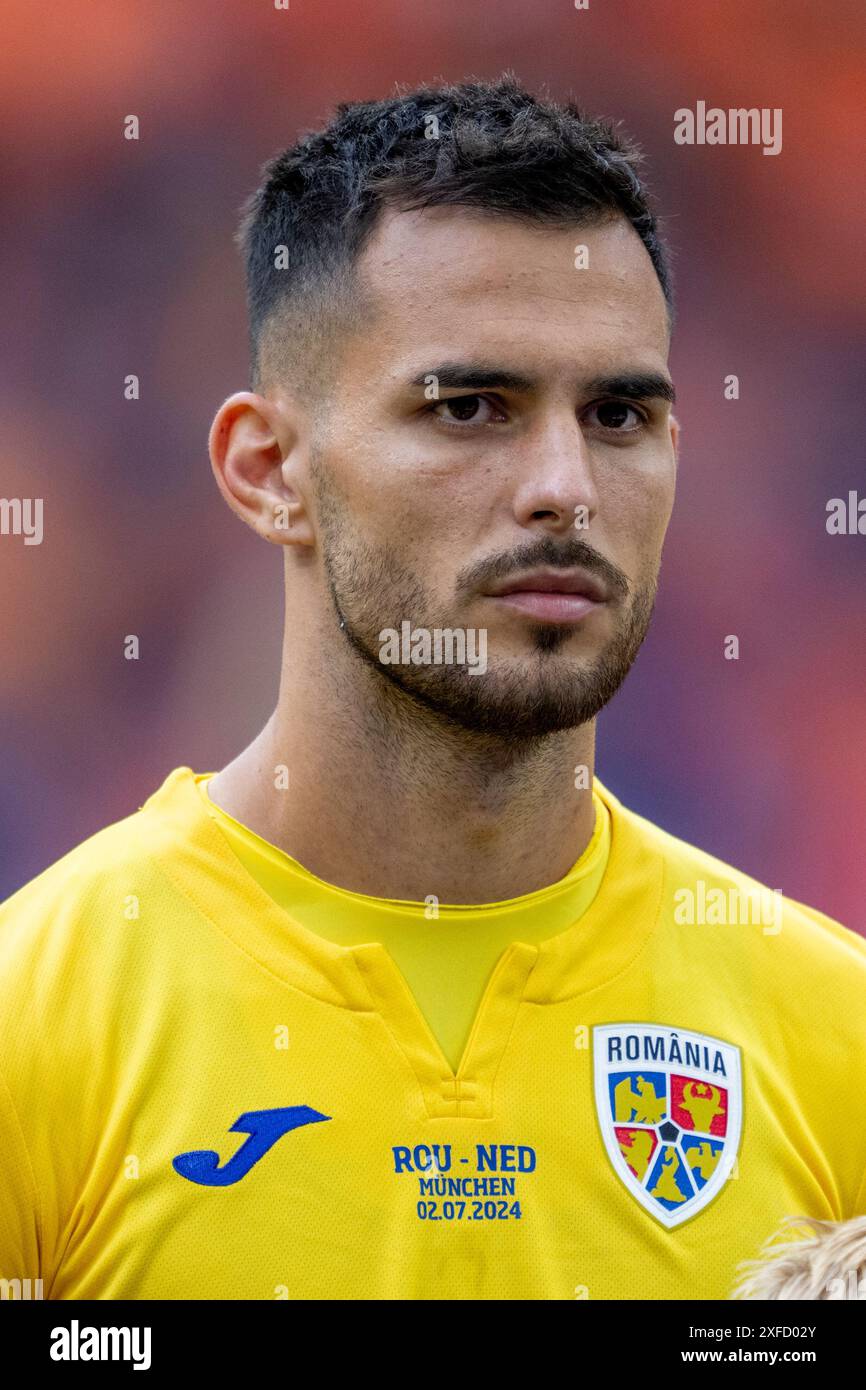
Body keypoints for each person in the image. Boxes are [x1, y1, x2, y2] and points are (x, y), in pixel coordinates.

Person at [1, 75, 864, 1302]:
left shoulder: (834, 1039)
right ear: (268, 470)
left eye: (617, 413)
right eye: (469, 407)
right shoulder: (36, 1025)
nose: (563, 484)